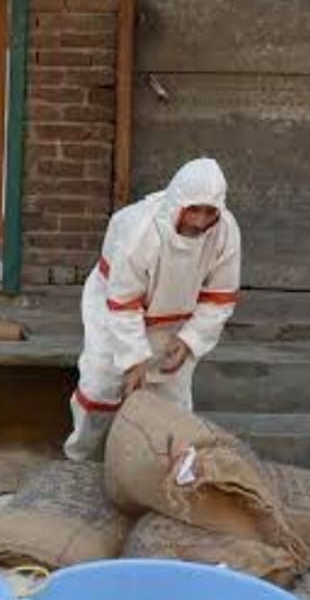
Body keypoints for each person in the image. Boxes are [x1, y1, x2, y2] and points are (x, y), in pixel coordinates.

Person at [63, 157, 242, 461]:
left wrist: (189, 341)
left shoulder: (226, 233)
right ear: (178, 204)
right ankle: (82, 456)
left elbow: (219, 298)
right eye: (193, 210)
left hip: (174, 318)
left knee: (171, 397)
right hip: (115, 307)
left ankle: (156, 468)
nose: (200, 222)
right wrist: (134, 360)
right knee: (103, 383)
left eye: (209, 211)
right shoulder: (139, 233)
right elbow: (123, 302)